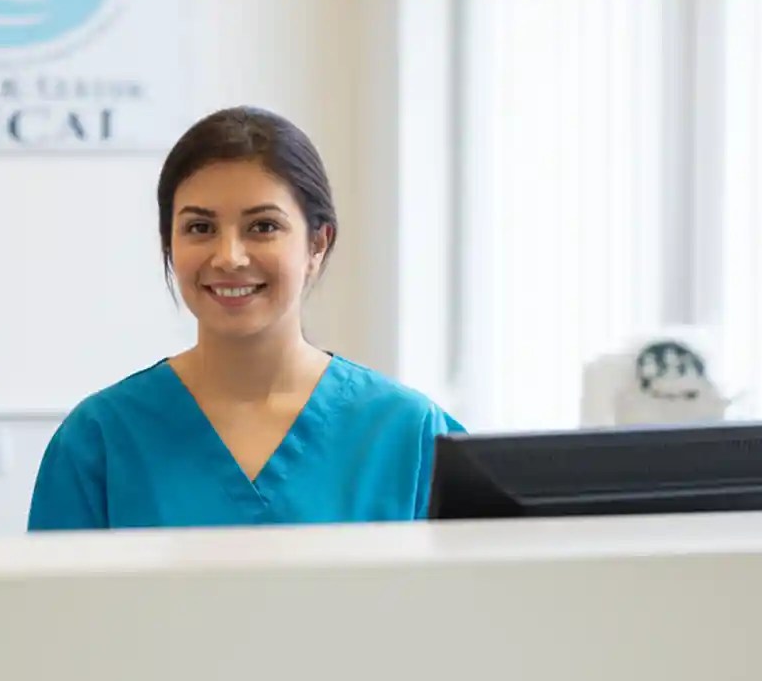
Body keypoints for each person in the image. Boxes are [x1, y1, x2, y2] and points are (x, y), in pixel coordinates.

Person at [27, 106, 465, 530]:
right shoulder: (98, 442)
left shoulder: (412, 435)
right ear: (169, 245)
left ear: (318, 244)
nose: (229, 257)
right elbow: (55, 604)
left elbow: (479, 597)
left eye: (263, 227)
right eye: (200, 228)